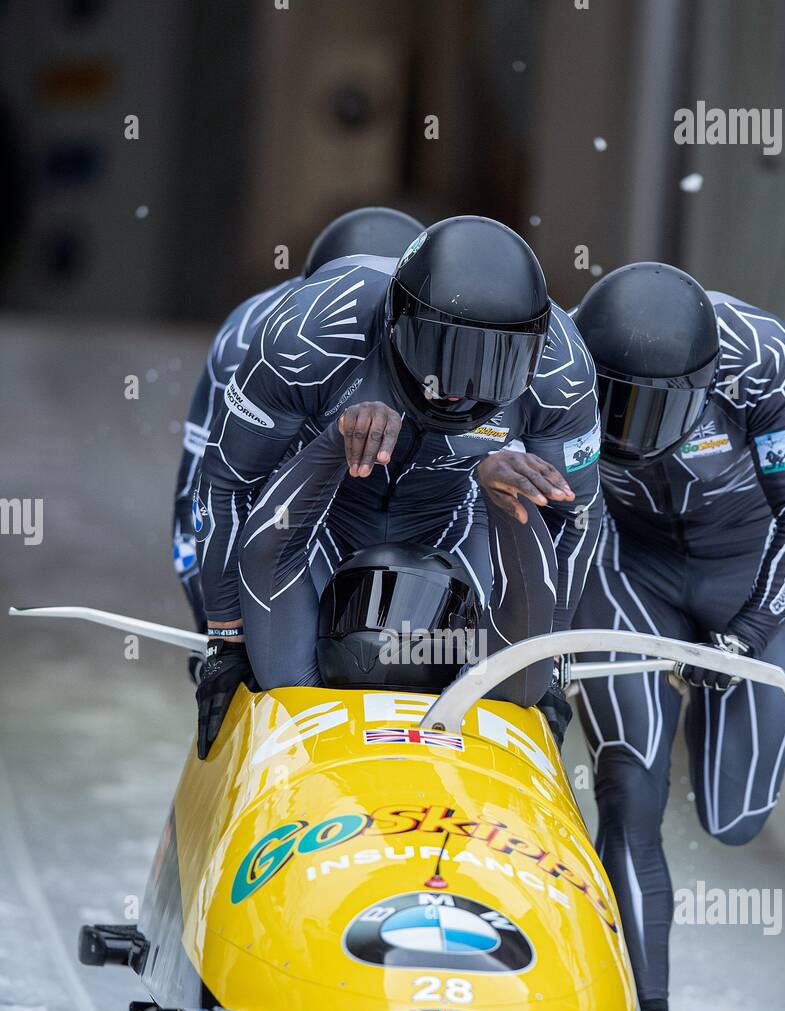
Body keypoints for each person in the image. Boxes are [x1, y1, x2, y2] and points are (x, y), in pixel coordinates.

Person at [194, 215, 603, 756]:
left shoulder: (562, 371)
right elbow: (226, 483)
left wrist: (547, 663)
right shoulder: (313, 331)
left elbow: (579, 516)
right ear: (396, 324)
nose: (462, 391)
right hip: (322, 520)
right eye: (447, 355)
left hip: (454, 521)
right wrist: (225, 636)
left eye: (492, 366)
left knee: (515, 685)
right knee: (286, 677)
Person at [571, 261, 785, 1011]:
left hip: (744, 576)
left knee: (735, 817)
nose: (625, 431)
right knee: (628, 791)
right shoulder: (559, 357)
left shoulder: (763, 358)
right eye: (610, 405)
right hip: (629, 568)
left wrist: (751, 632)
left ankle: (711, 711)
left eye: (649, 410)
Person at [172, 207, 425, 639]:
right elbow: (204, 491)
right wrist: (219, 628)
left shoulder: (449, 347)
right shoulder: (255, 338)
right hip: (294, 492)